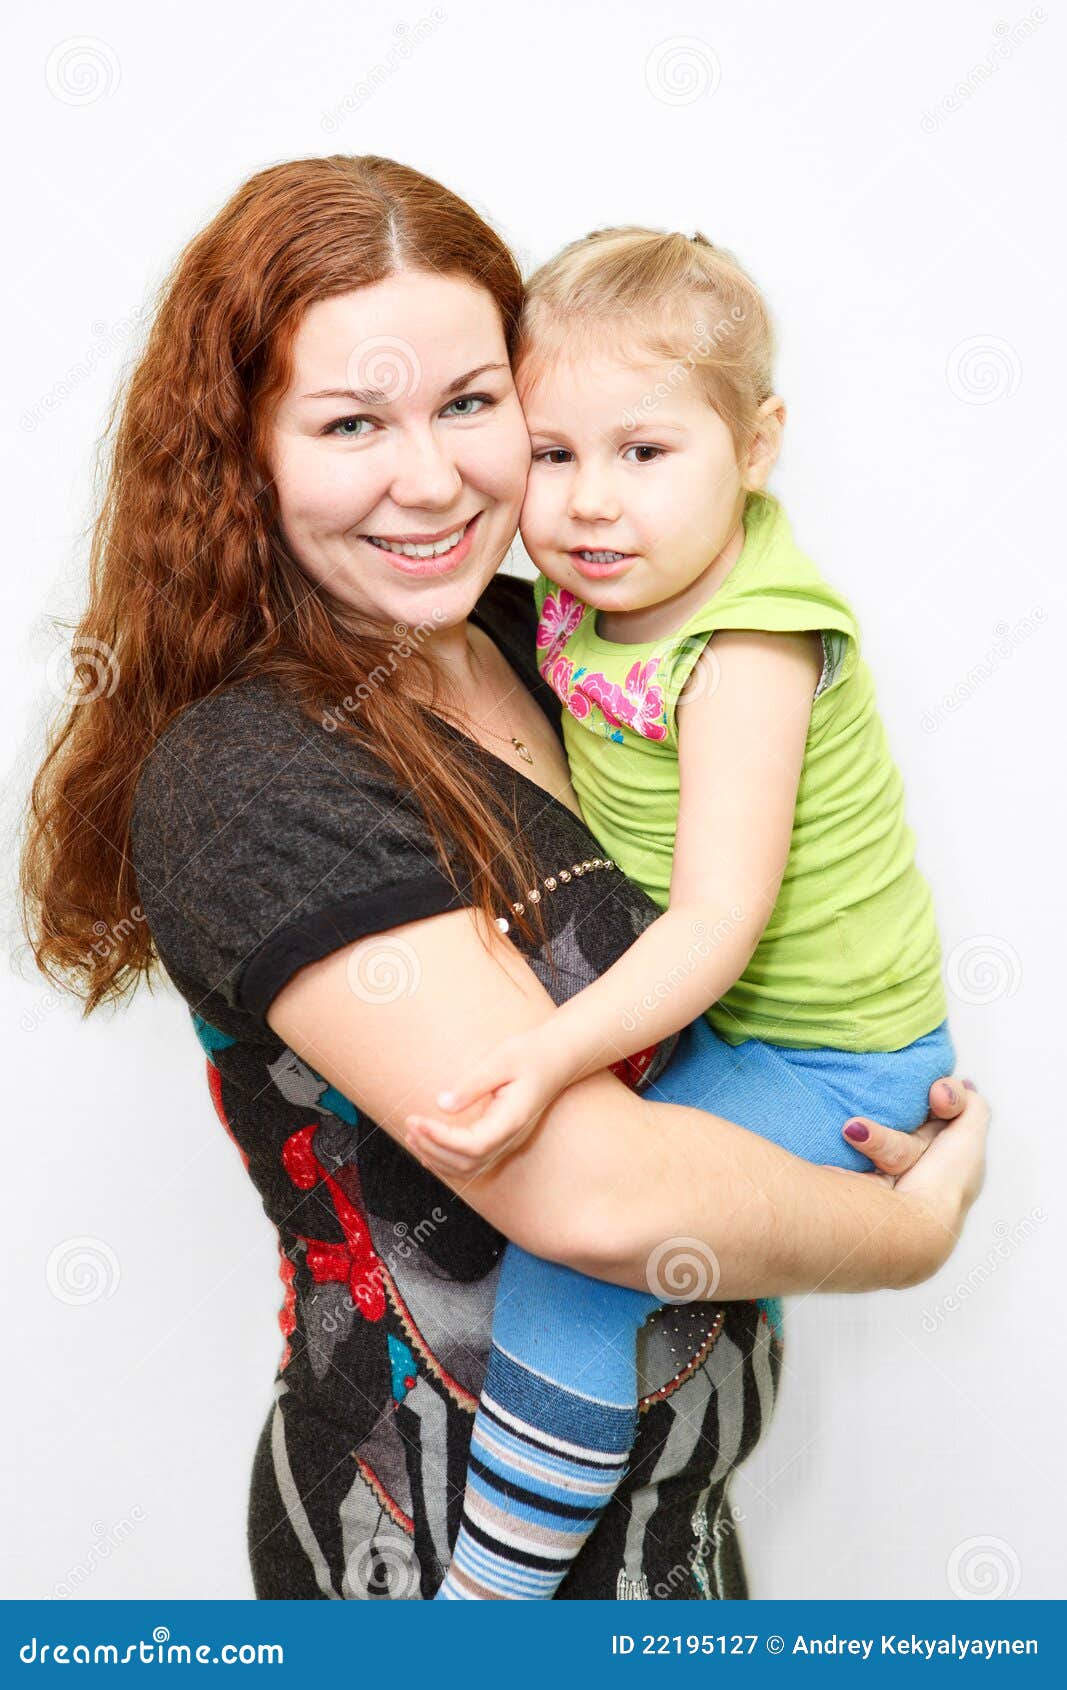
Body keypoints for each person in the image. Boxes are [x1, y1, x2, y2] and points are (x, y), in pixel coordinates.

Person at [19, 154, 988, 1602]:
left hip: (679, 1558)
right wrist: (909, 1230)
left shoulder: (565, 637)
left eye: (472, 404)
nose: (434, 477)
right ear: (248, 450)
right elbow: (589, 1196)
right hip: (417, 1577)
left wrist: (851, 1098)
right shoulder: (254, 768)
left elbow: (757, 960)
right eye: (353, 421)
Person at [408, 228, 957, 1598]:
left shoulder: (748, 642)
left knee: (576, 1258)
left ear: (756, 444)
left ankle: (487, 1609)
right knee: (568, 1219)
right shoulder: (590, 597)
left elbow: (715, 922)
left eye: (645, 452)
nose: (590, 503)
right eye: (552, 453)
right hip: (728, 1035)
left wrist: (549, 1054)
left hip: (830, 1058)